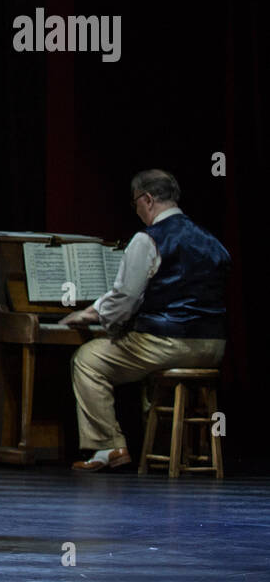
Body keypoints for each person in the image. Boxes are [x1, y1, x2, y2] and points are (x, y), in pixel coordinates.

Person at [61, 170, 230, 471]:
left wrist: (89, 314)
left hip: (167, 343)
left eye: (136, 202)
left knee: (88, 359)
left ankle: (108, 447)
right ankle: (171, 447)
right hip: (213, 347)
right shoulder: (211, 241)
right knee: (146, 368)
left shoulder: (147, 240)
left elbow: (124, 299)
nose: (136, 209)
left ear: (148, 199)